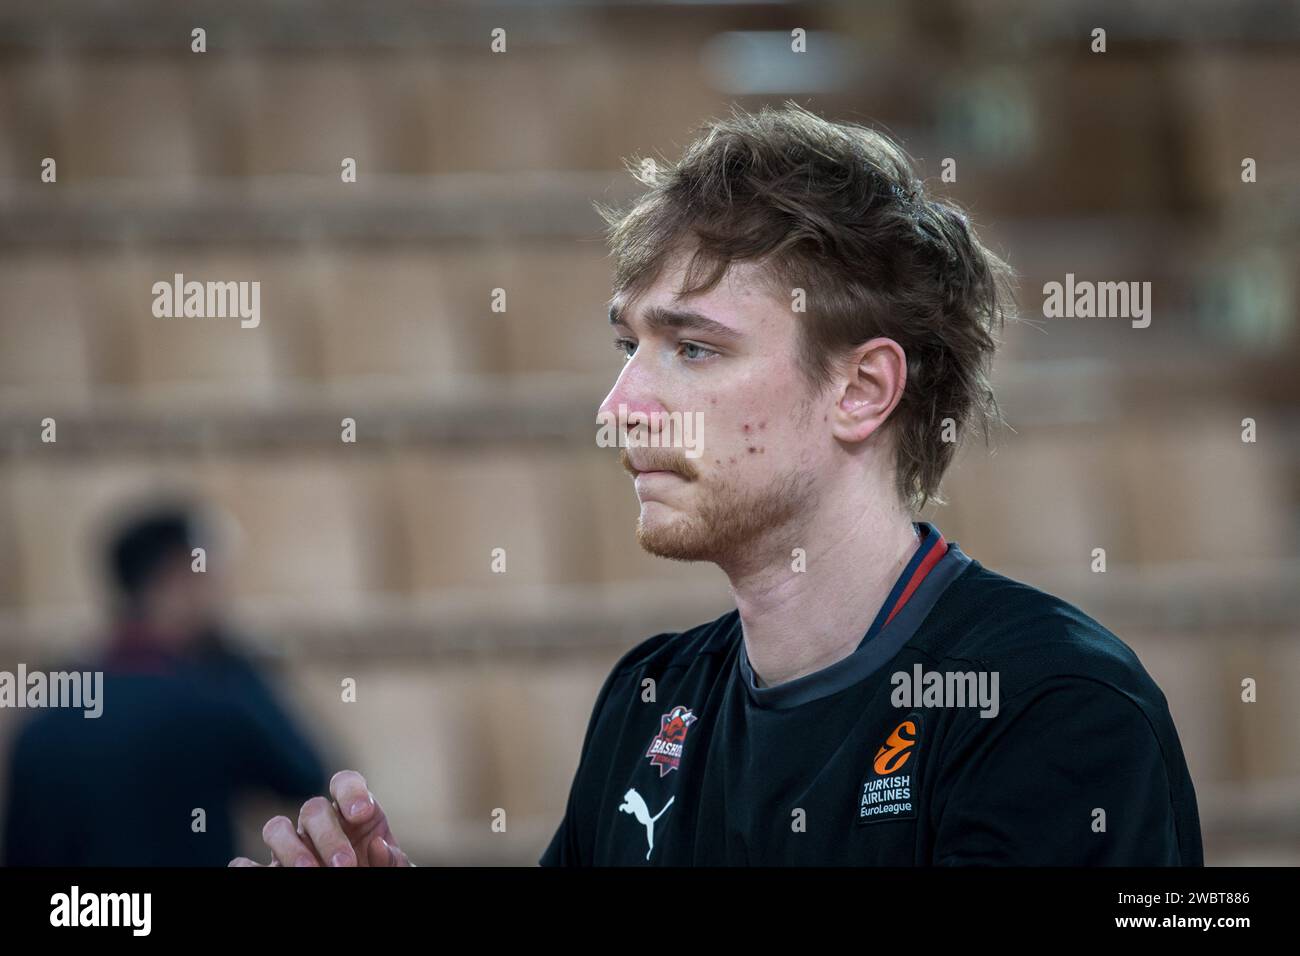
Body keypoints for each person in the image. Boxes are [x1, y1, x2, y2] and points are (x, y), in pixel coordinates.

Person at [231, 102, 1202, 867]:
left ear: (861, 388)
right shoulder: (648, 699)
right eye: (629, 344)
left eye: (693, 348)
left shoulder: (1052, 706)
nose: (620, 406)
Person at [3, 503, 329, 865]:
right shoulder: (210, 703)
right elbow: (304, 774)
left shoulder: (48, 716)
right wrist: (231, 657)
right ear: (179, 580)